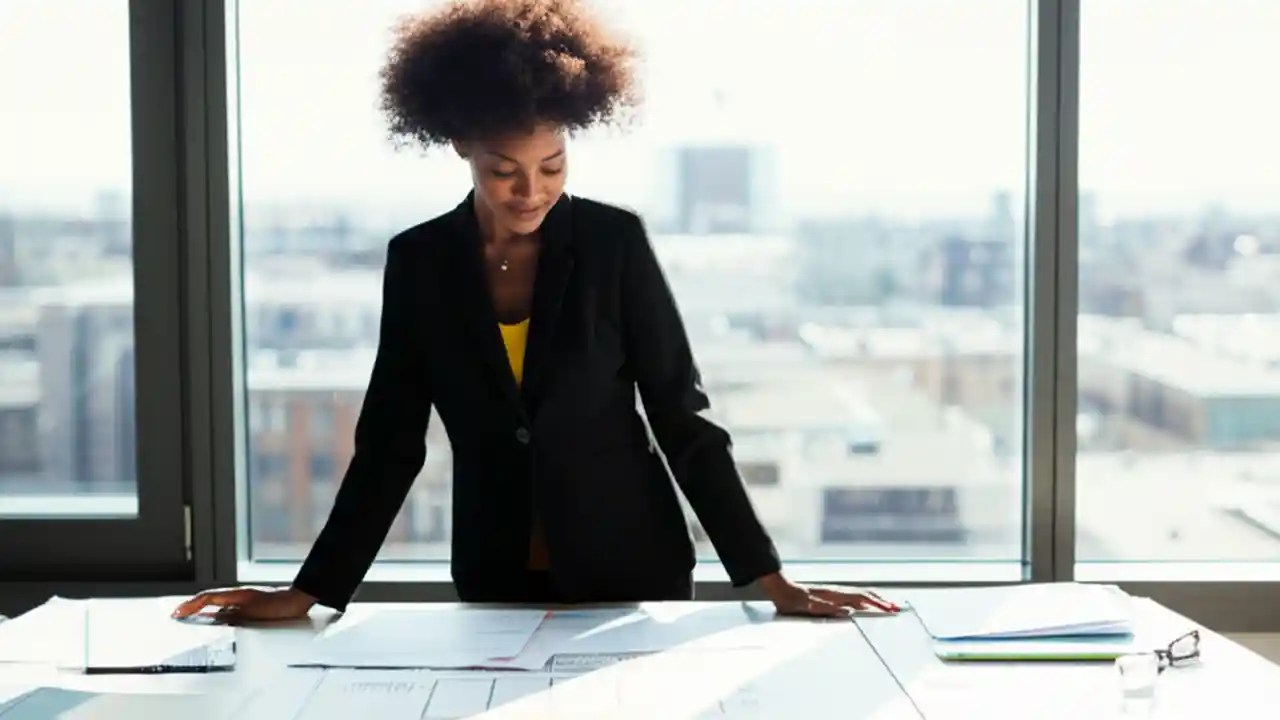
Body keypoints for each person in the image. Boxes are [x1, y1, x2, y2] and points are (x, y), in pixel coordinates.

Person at [173, 0, 898, 622]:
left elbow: (684, 419)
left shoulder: (615, 241)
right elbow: (391, 442)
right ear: (459, 145)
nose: (530, 191)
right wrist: (311, 592)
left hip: (634, 565)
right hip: (495, 575)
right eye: (503, 170)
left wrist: (771, 582)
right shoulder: (420, 260)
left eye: (552, 165)